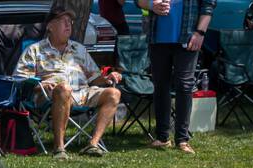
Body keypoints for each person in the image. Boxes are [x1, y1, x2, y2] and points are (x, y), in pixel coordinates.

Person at [15, 4, 122, 157]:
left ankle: (93, 144)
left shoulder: (79, 49)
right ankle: (59, 148)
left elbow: (94, 78)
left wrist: (107, 78)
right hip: (50, 96)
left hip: (82, 93)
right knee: (64, 88)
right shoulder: (35, 50)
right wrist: (41, 85)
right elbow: (20, 79)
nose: (68, 24)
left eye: (70, 21)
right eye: (62, 20)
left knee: (114, 93)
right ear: (50, 26)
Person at [145, 0, 216, 154]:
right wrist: (151, 5)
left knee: (184, 85)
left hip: (188, 37)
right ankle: (162, 138)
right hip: (157, 38)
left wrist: (200, 33)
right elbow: (139, 2)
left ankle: (182, 139)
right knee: (160, 86)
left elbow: (208, 6)